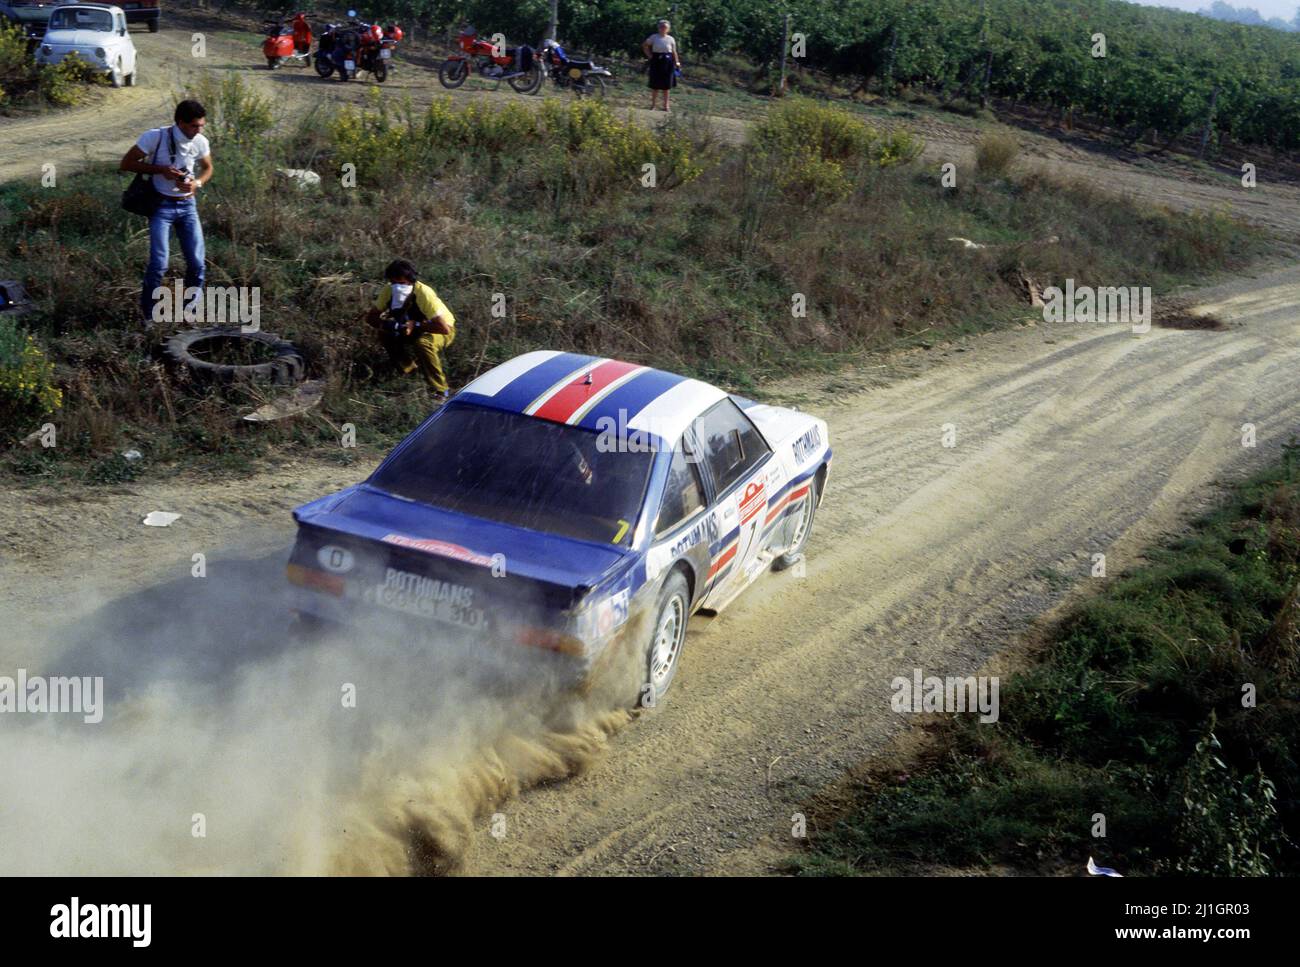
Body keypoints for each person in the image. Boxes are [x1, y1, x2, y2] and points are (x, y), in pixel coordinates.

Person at [119, 100, 213, 326]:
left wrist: (196, 184)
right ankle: (148, 315)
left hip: (188, 206)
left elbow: (208, 168)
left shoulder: (200, 141)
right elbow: (127, 163)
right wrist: (160, 170)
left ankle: (189, 312)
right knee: (160, 263)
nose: (198, 130)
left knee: (197, 263)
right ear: (180, 122)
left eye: (201, 125)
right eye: (193, 126)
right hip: (161, 206)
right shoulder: (155, 137)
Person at [365, 259, 456, 399]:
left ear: (410, 280)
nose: (397, 287)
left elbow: (444, 329)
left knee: (423, 343)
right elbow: (371, 318)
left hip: (437, 329)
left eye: (401, 283)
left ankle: (440, 389)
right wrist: (389, 325)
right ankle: (409, 370)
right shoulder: (388, 291)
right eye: (394, 283)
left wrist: (417, 325)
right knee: (385, 335)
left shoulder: (424, 294)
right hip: (409, 326)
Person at [642, 19, 680, 112]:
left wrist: (677, 62)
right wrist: (650, 56)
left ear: (668, 29)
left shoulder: (671, 39)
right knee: (655, 85)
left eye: (665, 27)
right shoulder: (654, 37)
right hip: (656, 60)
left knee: (666, 86)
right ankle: (653, 106)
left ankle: (666, 106)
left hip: (668, 62)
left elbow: (674, 51)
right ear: (658, 28)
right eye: (661, 27)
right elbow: (645, 46)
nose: (663, 28)